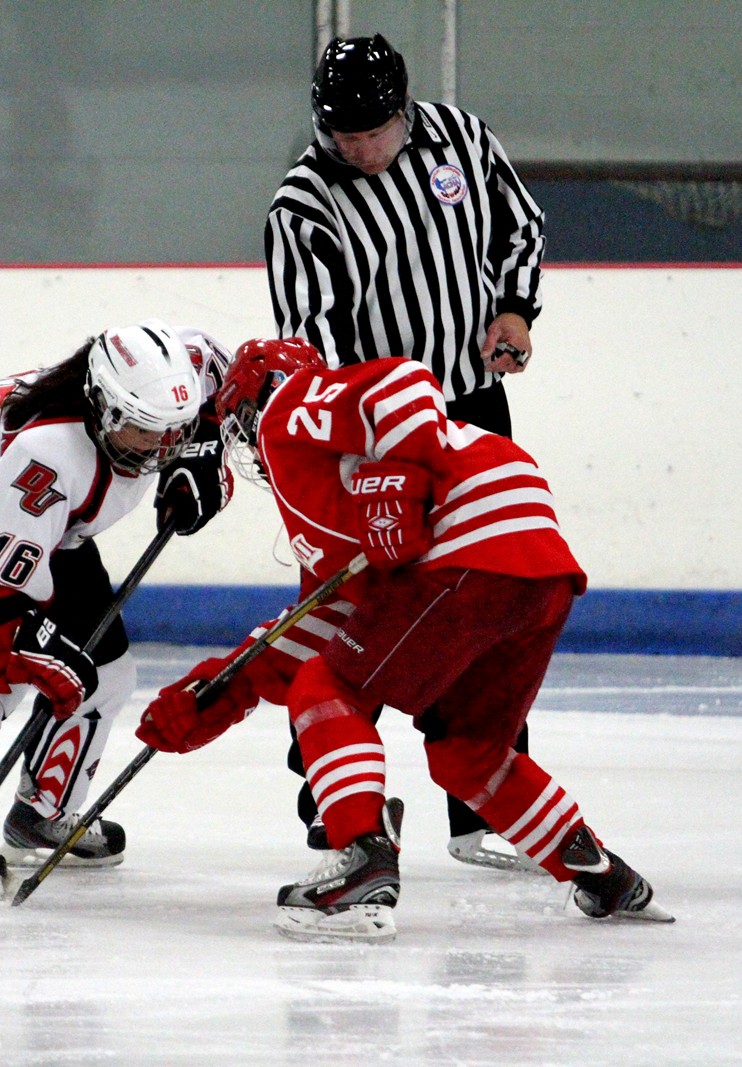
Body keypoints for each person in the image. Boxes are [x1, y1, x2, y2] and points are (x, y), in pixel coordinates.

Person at [136, 338, 672, 940]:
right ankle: (599, 872)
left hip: (468, 544)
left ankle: (362, 857)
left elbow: (405, 382)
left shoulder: (288, 409)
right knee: (468, 753)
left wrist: (404, 481)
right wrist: (226, 686)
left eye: (238, 421)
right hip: (536, 567)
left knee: (327, 687)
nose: (245, 444)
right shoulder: (334, 480)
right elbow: (324, 617)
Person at [264, 34, 546, 868]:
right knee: (358, 607)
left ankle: (482, 801)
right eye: (341, 133)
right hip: (373, 438)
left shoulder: (461, 138)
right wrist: (367, 449)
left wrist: (515, 310)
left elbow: (519, 226)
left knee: (486, 595)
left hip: (472, 411)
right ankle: (331, 800)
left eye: (372, 131)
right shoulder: (303, 205)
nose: (357, 147)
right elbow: (313, 348)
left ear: (405, 109)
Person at [0, 321, 232, 905]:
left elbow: (229, 375)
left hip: (48, 523)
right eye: (145, 431)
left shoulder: (177, 373)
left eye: (173, 431)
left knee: (107, 670)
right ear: (103, 407)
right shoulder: (53, 454)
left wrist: (202, 448)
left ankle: (43, 812)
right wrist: (21, 651)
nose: (158, 449)